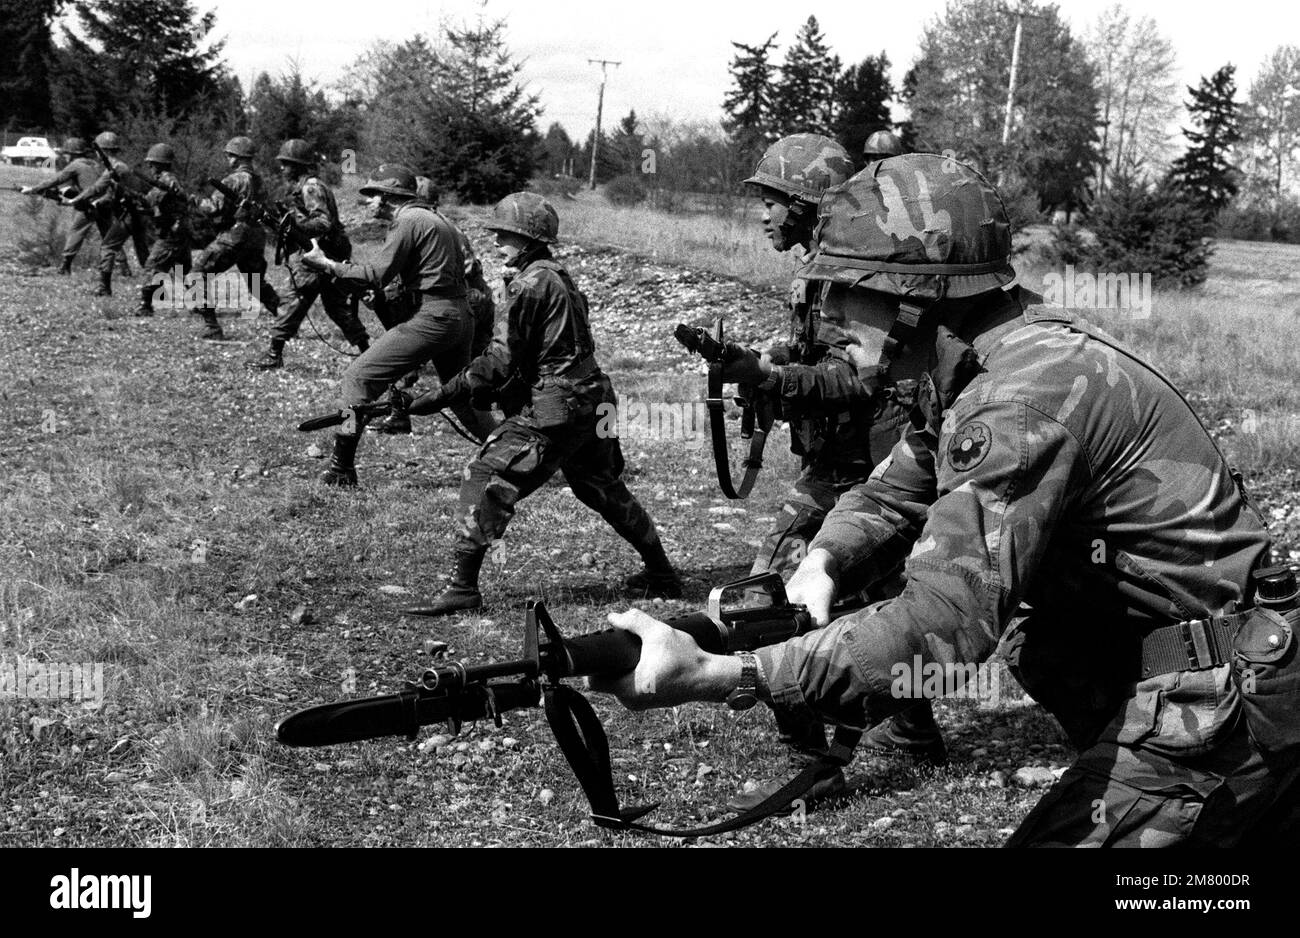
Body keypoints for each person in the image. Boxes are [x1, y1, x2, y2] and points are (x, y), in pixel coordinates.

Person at [591, 153, 1299, 847]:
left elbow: (949, 619)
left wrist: (725, 673)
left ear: (916, 298)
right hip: (1194, 680)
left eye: (847, 288)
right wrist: (824, 563)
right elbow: (898, 484)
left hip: (1225, 696)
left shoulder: (1020, 399)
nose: (830, 311)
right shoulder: (979, 365)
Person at [717, 135, 945, 810]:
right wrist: (775, 355)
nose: (763, 214)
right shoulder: (825, 264)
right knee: (848, 596)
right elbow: (825, 347)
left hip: (874, 468)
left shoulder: (857, 271)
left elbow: (856, 378)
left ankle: (819, 753)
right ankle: (909, 730)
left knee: (783, 594)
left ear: (808, 203)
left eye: (773, 201)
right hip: (838, 463)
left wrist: (770, 378)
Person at [398, 191, 682, 617]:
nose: (497, 243)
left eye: (505, 235)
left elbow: (499, 360)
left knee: (486, 475)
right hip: (593, 397)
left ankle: (462, 588)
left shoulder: (530, 283)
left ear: (528, 240)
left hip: (560, 406)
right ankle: (662, 573)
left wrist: (440, 394)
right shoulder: (558, 275)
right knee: (600, 486)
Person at [300, 163, 490, 485]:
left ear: (388, 196)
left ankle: (341, 467)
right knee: (459, 397)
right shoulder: (435, 219)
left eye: (372, 195)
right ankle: (517, 451)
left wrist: (328, 265)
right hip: (459, 316)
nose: (368, 202)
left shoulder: (408, 220)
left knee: (357, 378)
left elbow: (376, 275)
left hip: (436, 316)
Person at [368, 175, 497, 436]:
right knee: (471, 378)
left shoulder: (437, 229)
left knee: (476, 380)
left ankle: (510, 434)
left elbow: (451, 277)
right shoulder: (427, 226)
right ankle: (399, 413)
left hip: (466, 305)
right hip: (463, 306)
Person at [247, 139, 369, 369]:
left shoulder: (309, 187)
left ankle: (274, 355)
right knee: (336, 308)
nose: (282, 168)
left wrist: (296, 224)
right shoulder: (306, 187)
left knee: (294, 299)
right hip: (328, 252)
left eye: (286, 163)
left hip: (319, 253)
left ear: (299, 165)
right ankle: (368, 352)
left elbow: (323, 222)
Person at [190, 135, 282, 342]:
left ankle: (211, 326)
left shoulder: (232, 180)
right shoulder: (259, 181)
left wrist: (196, 201)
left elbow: (214, 209)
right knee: (256, 282)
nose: (228, 159)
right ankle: (285, 318)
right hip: (256, 236)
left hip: (234, 235)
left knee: (196, 274)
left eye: (230, 155)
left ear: (237, 157)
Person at [67, 131, 142, 296]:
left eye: (98, 151)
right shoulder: (120, 167)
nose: (96, 156)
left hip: (129, 214)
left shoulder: (115, 168)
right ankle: (159, 291)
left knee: (108, 246)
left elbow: (97, 188)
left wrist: (75, 200)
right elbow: (112, 193)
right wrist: (98, 202)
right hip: (137, 214)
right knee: (144, 254)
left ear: (103, 151)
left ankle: (104, 288)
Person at [20, 137, 103, 275]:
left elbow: (56, 180)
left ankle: (65, 266)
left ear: (72, 153)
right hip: (104, 203)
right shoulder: (94, 164)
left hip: (88, 205)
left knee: (76, 232)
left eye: (66, 153)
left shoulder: (75, 165)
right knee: (110, 237)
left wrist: (32, 189)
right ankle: (124, 268)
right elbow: (88, 185)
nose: (65, 155)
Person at [135, 143, 192, 318]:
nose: (149, 167)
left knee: (152, 265)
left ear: (159, 164)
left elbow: (150, 201)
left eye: (151, 164)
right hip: (180, 230)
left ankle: (145, 305)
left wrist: (135, 199)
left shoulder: (166, 181)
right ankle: (201, 302)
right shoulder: (168, 180)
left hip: (172, 233)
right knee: (183, 270)